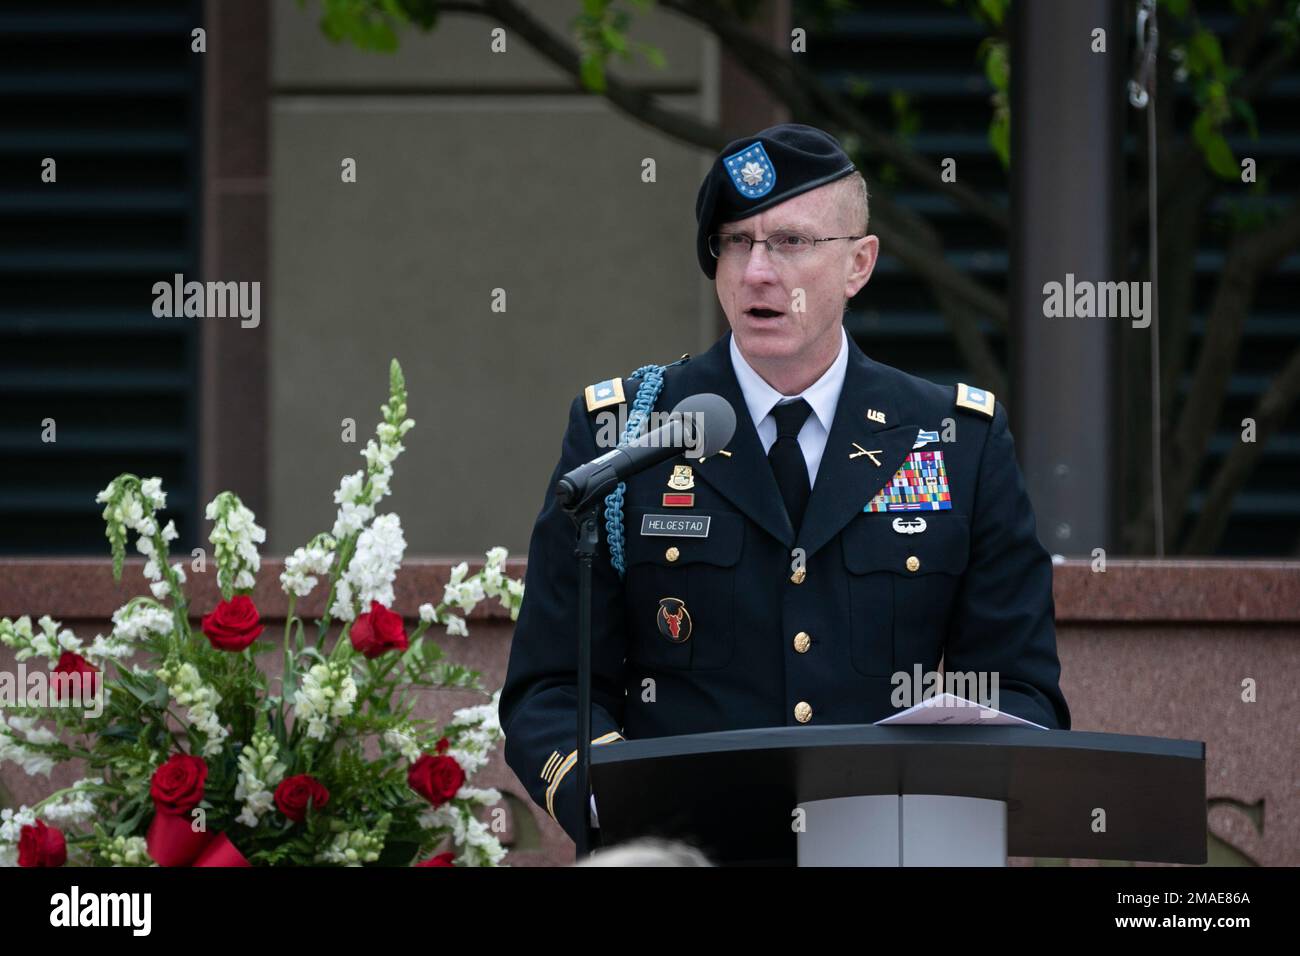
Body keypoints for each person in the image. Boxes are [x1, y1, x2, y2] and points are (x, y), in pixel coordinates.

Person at [499, 123, 1070, 849]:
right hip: (680, 854)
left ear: (859, 264)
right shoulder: (628, 431)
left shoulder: (956, 440)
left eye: (791, 242)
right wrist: (618, 805)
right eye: (735, 241)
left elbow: (1021, 689)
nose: (757, 272)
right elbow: (552, 689)